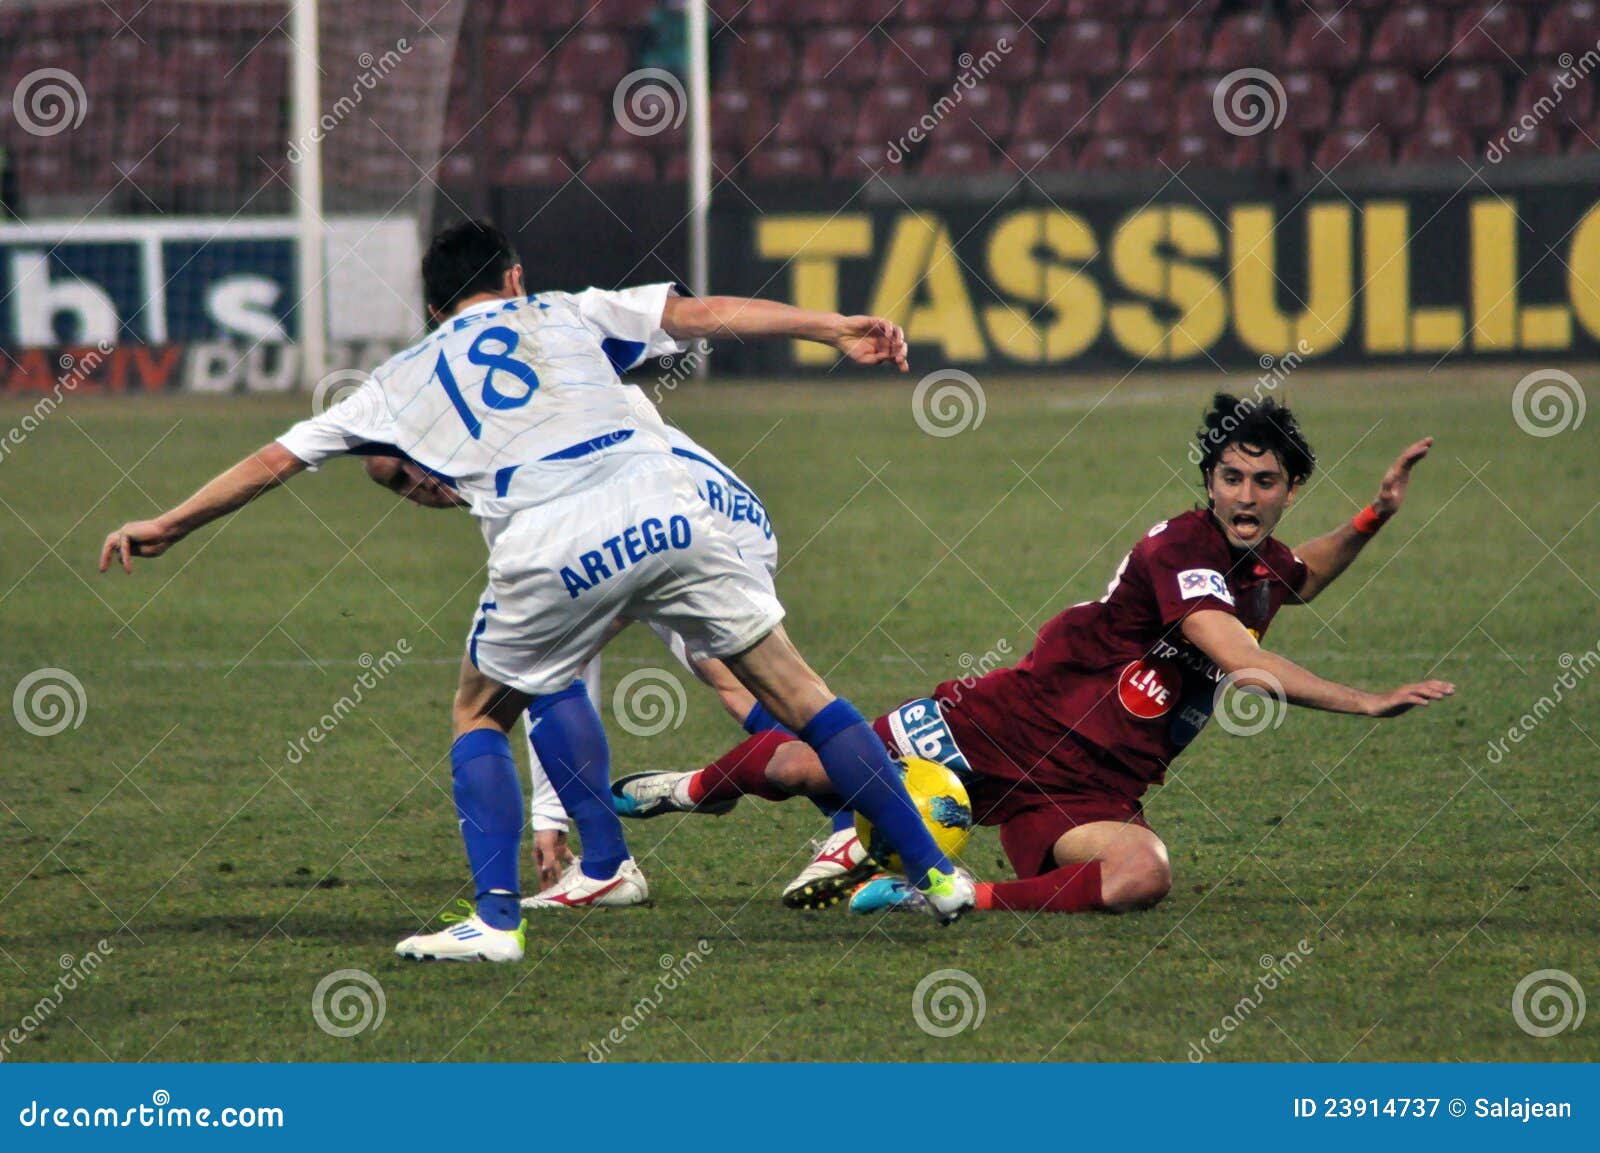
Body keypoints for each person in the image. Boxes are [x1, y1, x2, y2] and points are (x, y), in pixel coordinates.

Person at [99, 219, 974, 963]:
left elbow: (273, 462)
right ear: (511, 279)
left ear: (436, 310)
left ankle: (496, 919)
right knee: (804, 692)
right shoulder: (565, 308)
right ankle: (937, 872)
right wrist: (831, 328)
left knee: (480, 711)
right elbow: (704, 314)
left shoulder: (398, 375)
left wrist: (167, 524)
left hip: (553, 529)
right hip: (669, 498)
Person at [614, 393, 1456, 916]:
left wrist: (1372, 518)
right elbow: (1241, 661)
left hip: (1091, 787)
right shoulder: (1182, 549)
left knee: (1142, 873)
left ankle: (938, 895)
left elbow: (1301, 574)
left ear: (1290, 487)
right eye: (1231, 477)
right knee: (813, 767)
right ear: (1209, 481)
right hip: (1002, 724)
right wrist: (1365, 700)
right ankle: (688, 789)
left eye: (1264, 481)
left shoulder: (1261, 563)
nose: (1245, 495)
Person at [363, 423, 869, 908]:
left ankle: (609, 866)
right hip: (699, 496)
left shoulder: (515, 479)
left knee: (546, 656)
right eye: (396, 482)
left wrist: (548, 812)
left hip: (676, 506)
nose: (419, 483)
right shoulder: (504, 447)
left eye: (415, 463)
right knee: (738, 685)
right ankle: (863, 820)